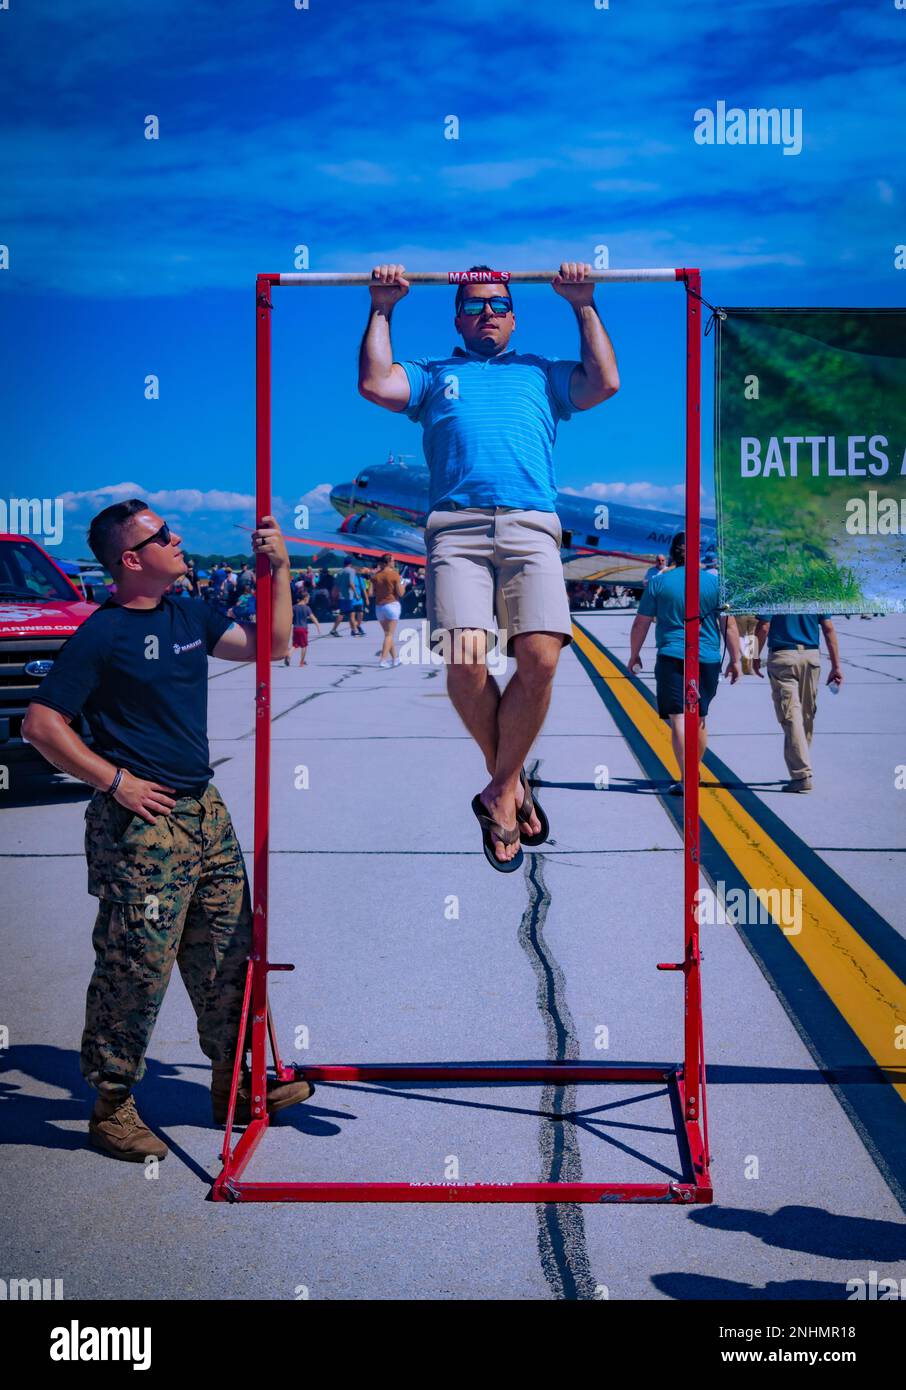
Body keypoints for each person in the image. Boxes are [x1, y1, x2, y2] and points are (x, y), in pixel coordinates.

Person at [21, 499, 313, 1163]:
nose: (179, 540)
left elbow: (271, 645)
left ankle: (235, 1086)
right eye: (163, 536)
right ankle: (112, 1106)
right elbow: (40, 725)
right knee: (137, 969)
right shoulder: (102, 634)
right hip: (142, 829)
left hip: (204, 812)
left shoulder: (188, 612)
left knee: (228, 954)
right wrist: (114, 781)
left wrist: (281, 571)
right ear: (132, 560)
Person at [359, 259, 620, 870]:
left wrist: (583, 302)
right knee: (467, 660)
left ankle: (500, 788)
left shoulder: (541, 374)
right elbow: (375, 383)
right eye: (474, 306)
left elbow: (604, 382)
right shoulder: (433, 375)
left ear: (513, 315)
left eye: (498, 305)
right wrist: (381, 306)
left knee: (540, 658)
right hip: (457, 528)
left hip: (531, 524)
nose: (486, 314)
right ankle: (509, 786)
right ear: (457, 317)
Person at [628, 531, 741, 794]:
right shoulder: (716, 584)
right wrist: (736, 660)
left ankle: (686, 777)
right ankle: (694, 771)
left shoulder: (659, 582)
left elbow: (640, 623)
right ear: (698, 552)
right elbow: (729, 624)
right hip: (708, 658)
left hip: (671, 655)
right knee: (700, 716)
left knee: (678, 717)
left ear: (672, 552)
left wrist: (634, 655)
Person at [753, 612, 843, 792]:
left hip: (783, 656)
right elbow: (828, 628)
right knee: (806, 714)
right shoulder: (816, 588)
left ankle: (802, 774)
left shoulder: (774, 586)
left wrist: (752, 657)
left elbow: (763, 627)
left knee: (790, 715)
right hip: (811, 656)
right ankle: (802, 764)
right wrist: (836, 666)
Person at [372, 552, 405, 667]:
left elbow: (371, 593)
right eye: (393, 560)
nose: (394, 562)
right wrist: (403, 584)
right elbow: (401, 593)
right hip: (392, 605)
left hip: (379, 607)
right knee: (389, 635)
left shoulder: (376, 576)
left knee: (388, 634)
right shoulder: (394, 574)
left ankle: (395, 658)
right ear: (388, 562)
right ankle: (383, 660)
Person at [287, 589, 321, 665]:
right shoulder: (307, 608)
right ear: (305, 598)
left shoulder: (294, 607)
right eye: (308, 598)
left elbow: (290, 617)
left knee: (295, 645)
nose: (308, 600)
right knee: (304, 646)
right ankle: (302, 661)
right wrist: (318, 626)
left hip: (295, 628)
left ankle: (289, 654)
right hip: (303, 629)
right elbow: (313, 618)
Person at [329, 558, 360, 637]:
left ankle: (353, 630)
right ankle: (353, 630)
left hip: (341, 595)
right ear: (350, 563)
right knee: (347, 613)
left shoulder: (340, 572)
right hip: (348, 595)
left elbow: (336, 585)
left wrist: (334, 596)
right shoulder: (351, 571)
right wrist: (356, 593)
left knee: (347, 613)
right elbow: (351, 583)